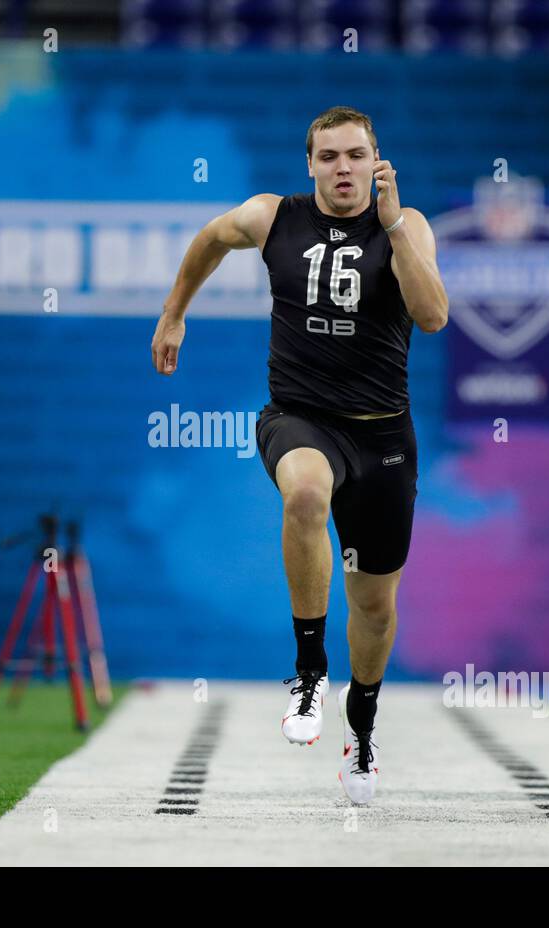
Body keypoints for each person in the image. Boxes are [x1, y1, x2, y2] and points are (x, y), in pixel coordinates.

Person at [150, 106, 448, 804]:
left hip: (383, 438)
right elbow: (210, 238)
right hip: (300, 417)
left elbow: (433, 316)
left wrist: (397, 224)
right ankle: (309, 673)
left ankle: (363, 731)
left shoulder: (407, 226)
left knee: (373, 609)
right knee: (306, 494)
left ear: (378, 161)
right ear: (309, 164)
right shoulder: (271, 217)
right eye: (328, 157)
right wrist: (174, 312)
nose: (342, 168)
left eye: (355, 155)